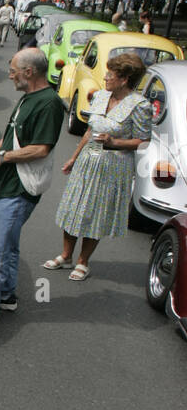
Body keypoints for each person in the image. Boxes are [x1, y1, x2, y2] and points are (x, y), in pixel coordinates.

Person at [0, 48, 65, 329]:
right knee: (8, 246)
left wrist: (3, 157)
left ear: (29, 72)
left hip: (19, 188)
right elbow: (12, 133)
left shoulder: (49, 104)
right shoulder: (30, 97)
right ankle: (5, 295)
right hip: (10, 183)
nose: (10, 75)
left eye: (13, 71)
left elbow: (41, 148)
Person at [43, 53, 151, 281]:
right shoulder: (101, 96)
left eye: (110, 74)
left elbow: (144, 141)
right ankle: (66, 255)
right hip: (87, 162)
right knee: (74, 208)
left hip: (113, 167)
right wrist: (73, 157)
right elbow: (89, 131)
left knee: (95, 214)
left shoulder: (140, 105)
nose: (105, 77)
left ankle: (83, 261)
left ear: (124, 79)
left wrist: (116, 143)